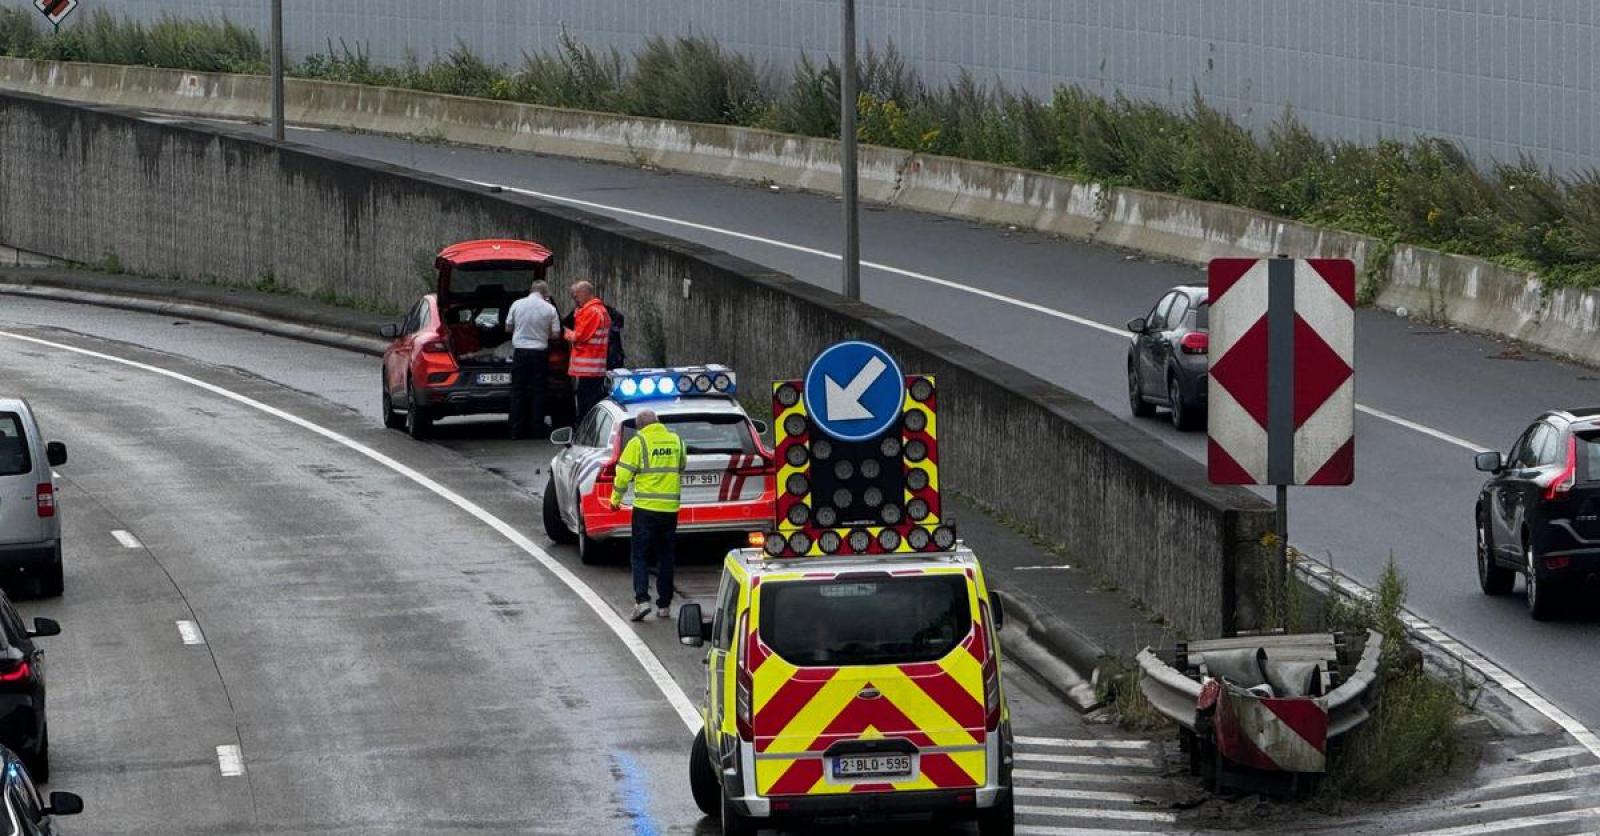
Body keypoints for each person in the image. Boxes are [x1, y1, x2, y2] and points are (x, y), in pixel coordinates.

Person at [609, 409, 685, 621]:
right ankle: (664, 605)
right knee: (666, 556)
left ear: (640, 427)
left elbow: (622, 475)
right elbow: (681, 466)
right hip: (669, 509)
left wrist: (615, 499)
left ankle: (642, 600)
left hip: (645, 509)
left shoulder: (638, 442)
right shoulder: (676, 440)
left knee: (640, 555)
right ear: (657, 422)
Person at [504, 279, 561, 440]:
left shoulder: (517, 304)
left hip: (520, 352)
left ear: (531, 290)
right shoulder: (549, 309)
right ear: (545, 293)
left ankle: (515, 431)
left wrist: (521, 331)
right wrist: (543, 333)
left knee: (518, 391)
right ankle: (537, 430)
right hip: (539, 353)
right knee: (538, 392)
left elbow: (508, 328)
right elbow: (556, 335)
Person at [564, 280, 611, 421]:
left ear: (584, 293)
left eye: (576, 296)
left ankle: (585, 428)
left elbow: (580, 336)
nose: (575, 299)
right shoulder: (599, 310)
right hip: (595, 366)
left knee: (586, 403)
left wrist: (566, 333)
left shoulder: (591, 311)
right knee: (591, 400)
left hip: (588, 367)